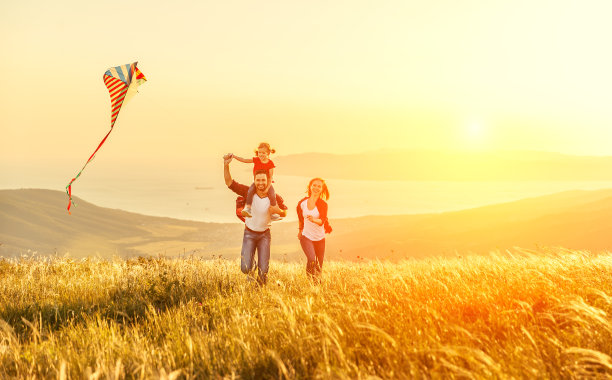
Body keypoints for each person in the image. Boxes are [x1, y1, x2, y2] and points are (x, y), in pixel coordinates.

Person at [223, 154, 284, 285]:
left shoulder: (275, 197)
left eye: (263, 180)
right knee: (245, 268)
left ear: (268, 181)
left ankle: (260, 291)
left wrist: (277, 210)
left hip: (265, 235)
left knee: (264, 271)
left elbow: (284, 212)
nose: (261, 183)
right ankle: (252, 266)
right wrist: (226, 165)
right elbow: (229, 183)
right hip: (249, 234)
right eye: (258, 180)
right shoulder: (247, 192)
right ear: (254, 180)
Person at [229, 142, 286, 220]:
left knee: (272, 195)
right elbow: (244, 160)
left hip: (267, 183)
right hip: (257, 183)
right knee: (250, 192)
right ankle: (248, 209)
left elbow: (270, 178)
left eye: (263, 153)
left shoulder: (270, 163)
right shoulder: (256, 160)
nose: (261, 154)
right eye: (259, 152)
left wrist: (267, 188)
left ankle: (272, 213)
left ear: (268, 153)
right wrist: (234, 157)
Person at [297, 178, 332, 280]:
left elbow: (322, 221)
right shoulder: (302, 203)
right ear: (310, 186)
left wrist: (313, 220)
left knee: (319, 264)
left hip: (320, 238)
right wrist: (300, 231)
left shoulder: (323, 204)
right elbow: (300, 218)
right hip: (306, 236)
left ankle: (316, 282)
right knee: (312, 259)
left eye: (319, 186)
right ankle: (310, 282)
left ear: (322, 189)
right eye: (314, 185)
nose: (316, 188)